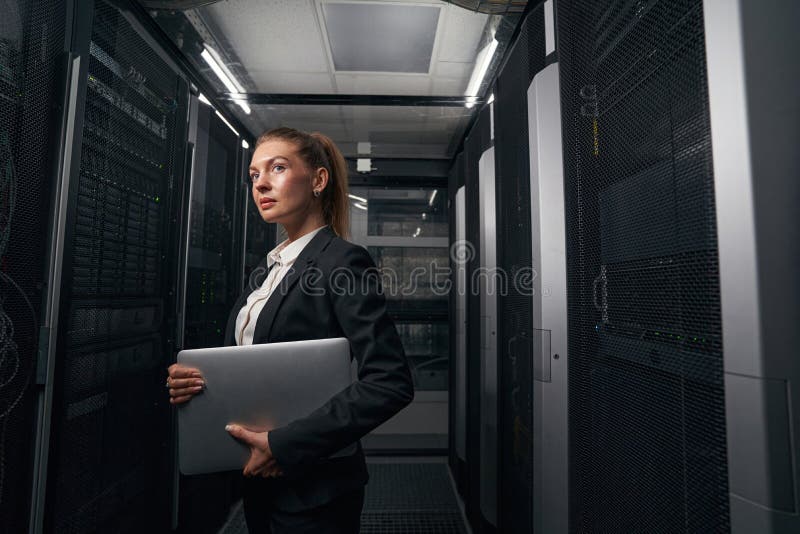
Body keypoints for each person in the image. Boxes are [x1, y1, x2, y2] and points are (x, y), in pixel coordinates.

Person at [166, 127, 414, 533]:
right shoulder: (268, 270)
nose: (260, 182)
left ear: (318, 180)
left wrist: (284, 445)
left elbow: (391, 382)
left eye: (277, 168)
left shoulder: (342, 263)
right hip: (258, 480)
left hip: (315, 491)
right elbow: (250, 368)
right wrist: (197, 384)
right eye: (253, 175)